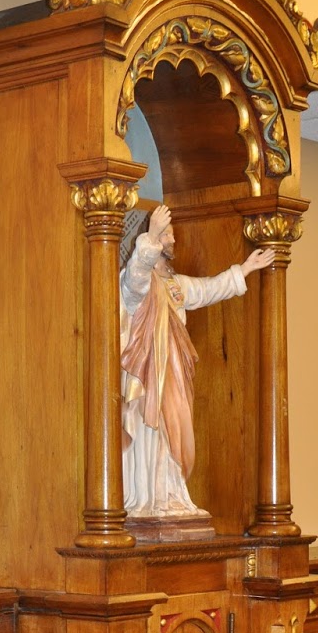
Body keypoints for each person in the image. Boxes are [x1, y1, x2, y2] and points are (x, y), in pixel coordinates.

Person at [119, 204, 274, 520]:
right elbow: (134, 280)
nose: (171, 239)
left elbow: (207, 289)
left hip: (176, 372)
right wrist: (150, 235)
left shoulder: (175, 284)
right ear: (148, 239)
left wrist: (243, 269)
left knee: (179, 428)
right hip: (151, 374)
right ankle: (152, 499)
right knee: (155, 430)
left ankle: (174, 494)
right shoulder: (138, 281)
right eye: (165, 233)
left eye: (171, 233)